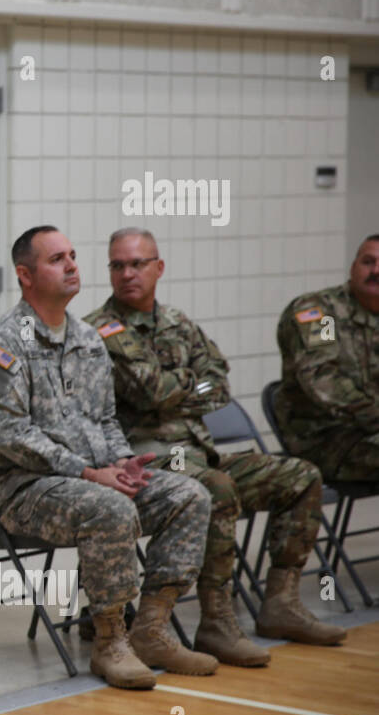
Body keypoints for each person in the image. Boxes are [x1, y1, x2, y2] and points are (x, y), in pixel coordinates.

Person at [0, 226, 215, 690]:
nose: (73, 265)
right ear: (25, 275)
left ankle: (153, 627)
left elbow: (105, 419)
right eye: (57, 259)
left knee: (189, 494)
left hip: (91, 478)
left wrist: (122, 462)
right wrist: (88, 472)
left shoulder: (87, 338)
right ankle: (109, 640)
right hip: (22, 488)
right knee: (111, 507)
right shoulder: (0, 344)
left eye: (73, 255)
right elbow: (7, 434)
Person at [84, 229, 344, 663]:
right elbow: (149, 391)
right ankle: (217, 622)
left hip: (199, 451)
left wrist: (180, 387)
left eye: (137, 264)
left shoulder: (177, 322)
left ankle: (280, 603)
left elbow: (219, 382)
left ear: (158, 267)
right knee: (217, 487)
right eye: (117, 265)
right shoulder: (102, 330)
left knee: (300, 477)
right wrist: (190, 384)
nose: (127, 273)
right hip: (152, 457)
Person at [275, 234, 379, 483]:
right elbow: (321, 377)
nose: (376, 270)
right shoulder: (319, 313)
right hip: (326, 438)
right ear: (353, 267)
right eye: (368, 262)